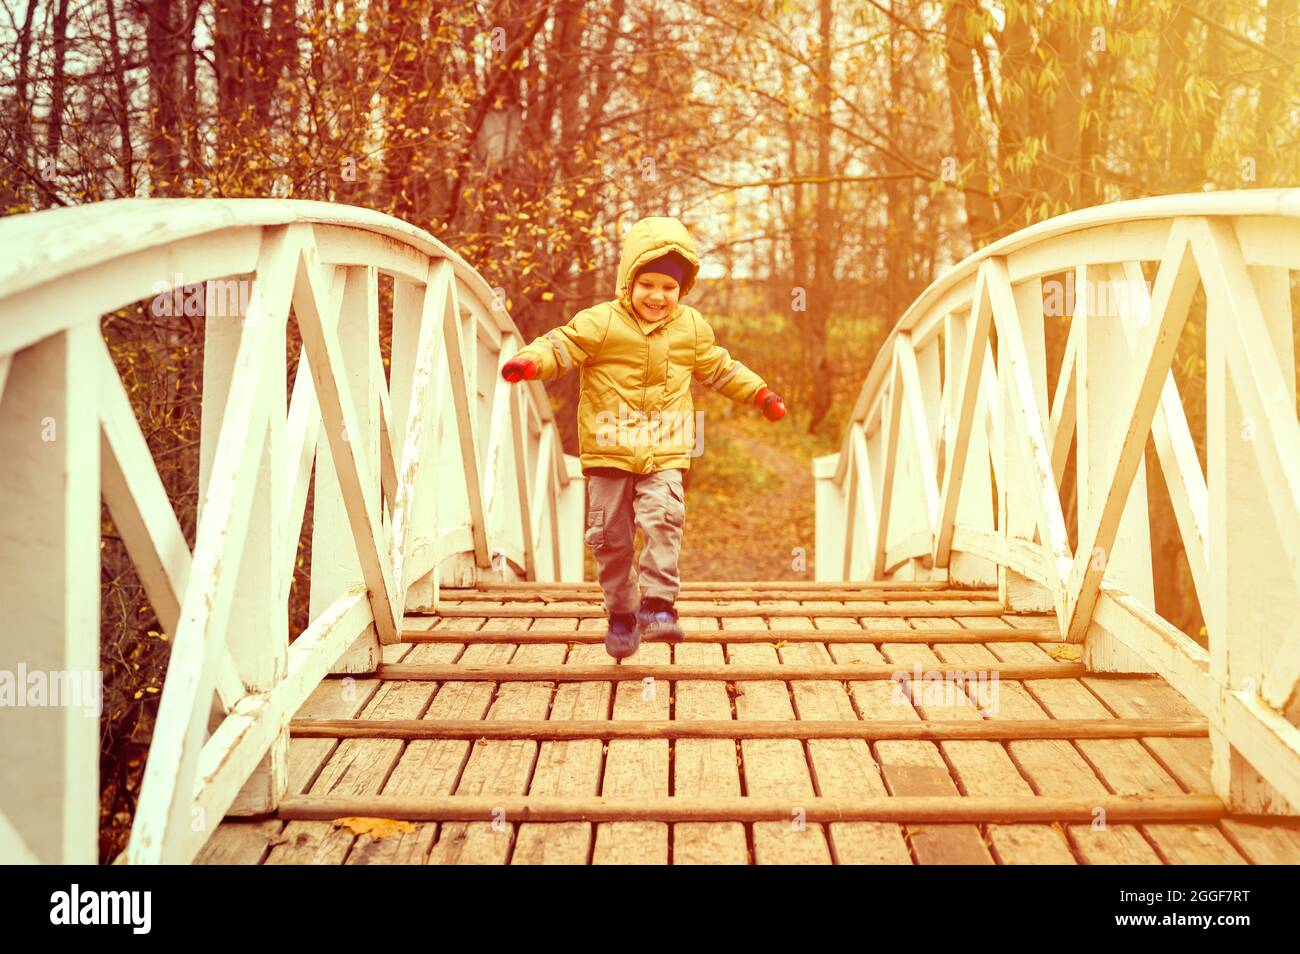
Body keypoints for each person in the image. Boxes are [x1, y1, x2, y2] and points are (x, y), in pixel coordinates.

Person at [500, 216, 786, 658]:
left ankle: (658, 606)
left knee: (663, 517)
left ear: (683, 289)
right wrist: (530, 361)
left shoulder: (690, 328)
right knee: (610, 541)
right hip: (608, 450)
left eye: (669, 288)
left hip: (665, 451)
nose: (658, 296)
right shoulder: (600, 322)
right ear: (628, 281)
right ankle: (621, 614)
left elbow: (721, 368)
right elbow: (562, 345)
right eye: (648, 284)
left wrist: (761, 394)